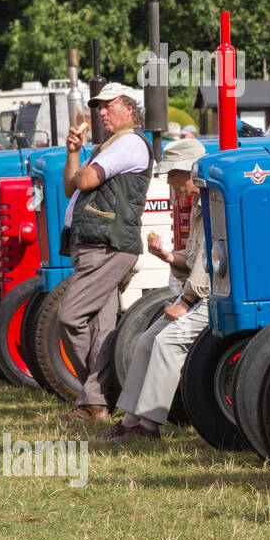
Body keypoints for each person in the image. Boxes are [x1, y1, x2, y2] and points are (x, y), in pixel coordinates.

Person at [56, 84, 154, 423]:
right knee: (101, 328)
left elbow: (84, 182)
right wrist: (73, 152)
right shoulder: (111, 144)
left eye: (107, 106)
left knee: (69, 316)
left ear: (129, 109)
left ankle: (97, 396)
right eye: (97, 106)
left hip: (107, 246)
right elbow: (71, 183)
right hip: (99, 245)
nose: (100, 112)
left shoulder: (128, 142)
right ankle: (97, 403)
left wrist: (83, 168)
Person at [105, 138, 209, 442]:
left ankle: (148, 428)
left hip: (211, 296)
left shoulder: (214, 204)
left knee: (168, 343)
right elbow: (192, 260)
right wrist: (165, 255)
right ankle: (130, 421)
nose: (169, 183)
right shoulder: (199, 206)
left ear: (189, 171)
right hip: (199, 292)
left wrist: (187, 300)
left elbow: (209, 262)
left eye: (172, 176)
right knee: (148, 339)